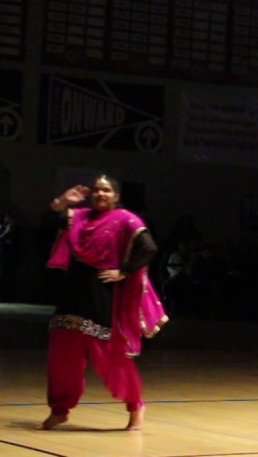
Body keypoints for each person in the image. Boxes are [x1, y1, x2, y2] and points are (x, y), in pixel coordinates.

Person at [41, 176, 167, 430]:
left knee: (110, 356)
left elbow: (149, 248)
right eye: (97, 190)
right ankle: (60, 409)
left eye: (106, 190)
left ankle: (135, 406)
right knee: (61, 354)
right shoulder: (79, 217)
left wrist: (124, 271)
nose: (100, 194)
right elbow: (48, 225)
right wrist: (63, 201)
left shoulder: (125, 220)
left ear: (116, 195)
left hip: (102, 295)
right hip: (73, 293)